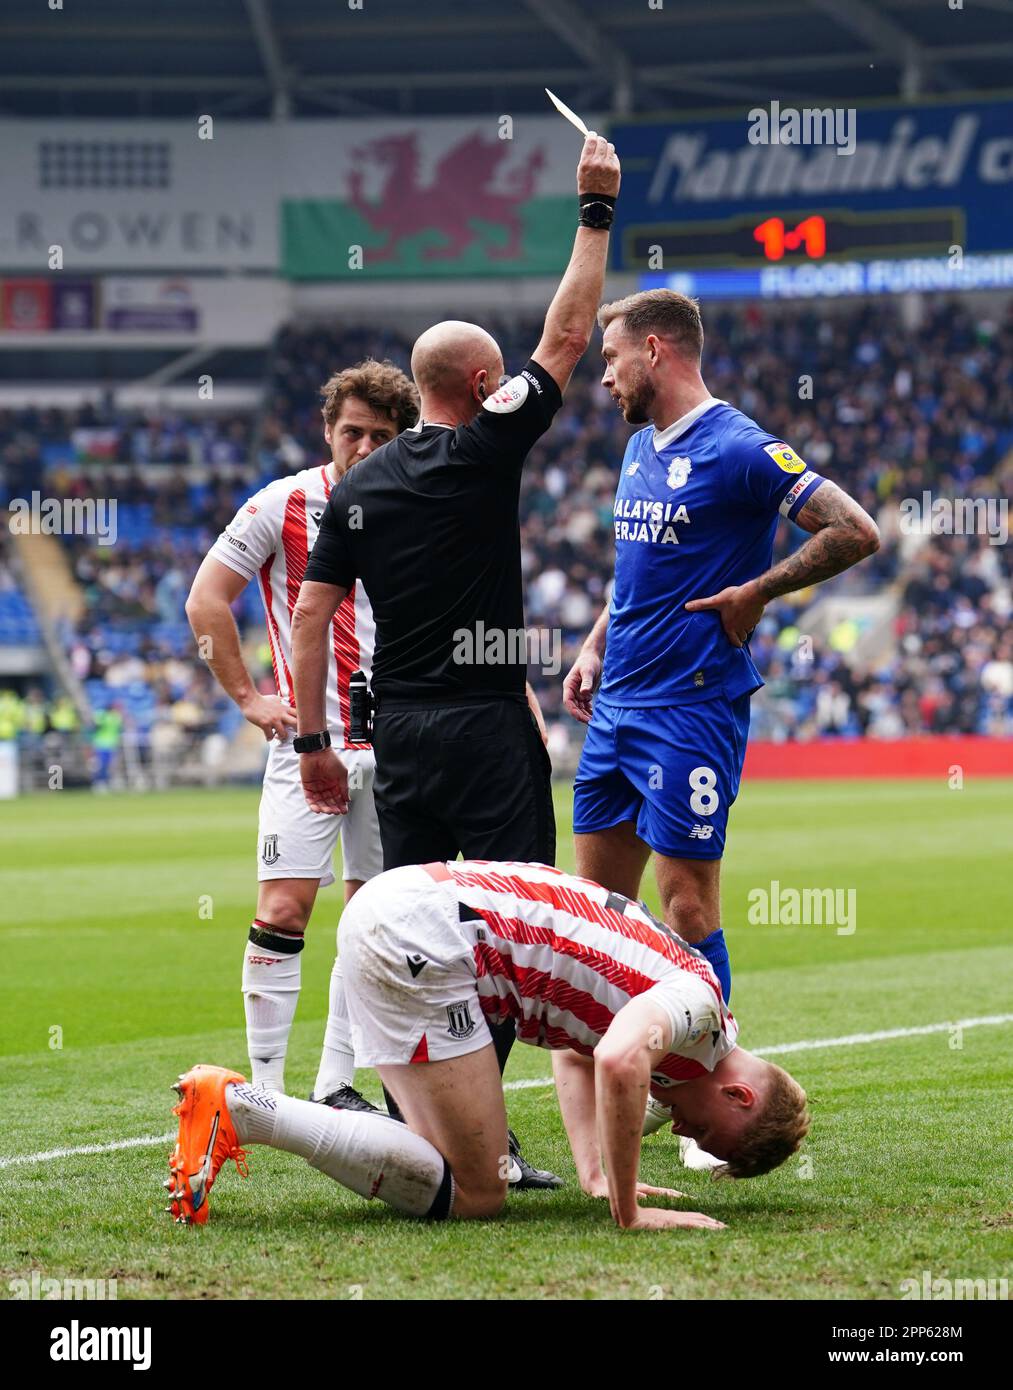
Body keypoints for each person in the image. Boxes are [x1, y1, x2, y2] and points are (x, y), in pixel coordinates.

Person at [288, 131, 622, 1185]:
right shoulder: (486, 444)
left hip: (397, 735)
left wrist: (313, 742)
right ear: (483, 383)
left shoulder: (353, 489)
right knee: (517, 918)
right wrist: (595, 210)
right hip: (483, 727)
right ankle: (477, 1137)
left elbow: (309, 614)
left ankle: (422, 1133)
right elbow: (567, 335)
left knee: (406, 929)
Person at [562, 290, 879, 1162]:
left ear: (655, 351)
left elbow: (855, 530)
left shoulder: (740, 447)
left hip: (691, 709)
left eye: (610, 358)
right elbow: (636, 571)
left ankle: (706, 1090)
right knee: (602, 914)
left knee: (687, 904)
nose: (603, 377)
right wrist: (593, 645)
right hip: (618, 705)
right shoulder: (639, 446)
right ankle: (634, 1086)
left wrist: (758, 592)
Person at [164, 859, 809, 1230]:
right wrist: (627, 1210)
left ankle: (246, 1114)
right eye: (708, 1132)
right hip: (426, 936)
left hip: (404, 913)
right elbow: (618, 1059)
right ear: (739, 1094)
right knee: (480, 1193)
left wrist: (594, 1174)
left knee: (442, 1167)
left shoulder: (693, 1025)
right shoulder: (700, 1005)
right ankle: (245, 1110)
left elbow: (578, 1052)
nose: (685, 1132)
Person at [185, 360, 418, 1106]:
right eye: (353, 432)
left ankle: (334, 1084)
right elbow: (206, 599)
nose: (365, 446)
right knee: (284, 910)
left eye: (381, 435)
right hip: (306, 744)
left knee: (371, 920)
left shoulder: (418, 501)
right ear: (327, 431)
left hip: (395, 743)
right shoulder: (281, 502)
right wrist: (249, 698)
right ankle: (264, 1093)